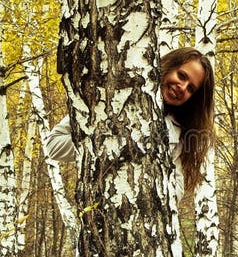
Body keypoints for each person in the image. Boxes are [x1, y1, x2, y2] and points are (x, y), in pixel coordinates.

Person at [45, 47, 214, 201]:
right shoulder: (114, 93)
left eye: (191, 88)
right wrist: (107, 144)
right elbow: (53, 145)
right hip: (100, 212)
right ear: (168, 66)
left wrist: (150, 170)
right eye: (181, 76)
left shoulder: (177, 132)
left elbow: (177, 190)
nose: (182, 87)